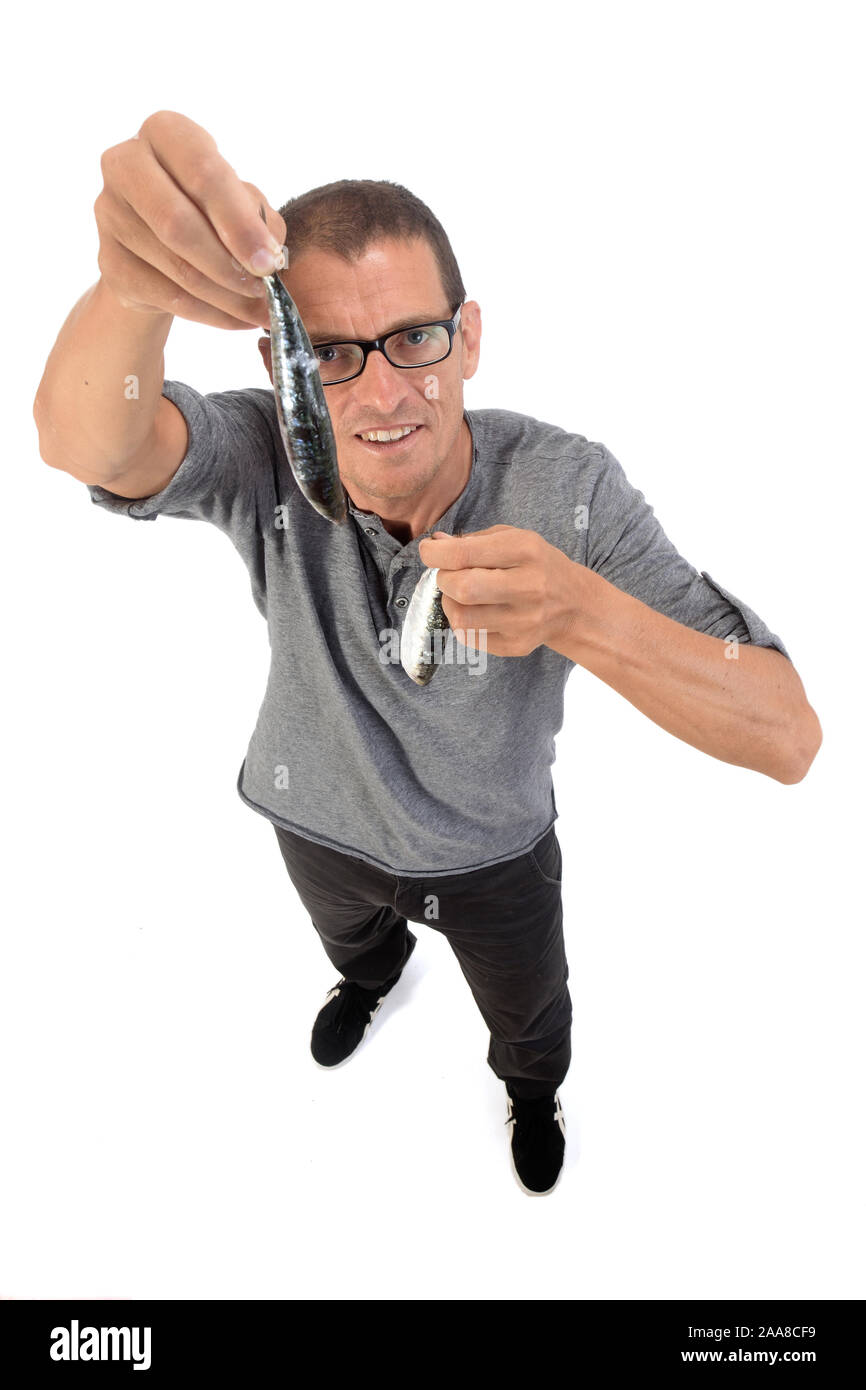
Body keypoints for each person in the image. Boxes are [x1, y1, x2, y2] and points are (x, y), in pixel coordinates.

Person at [33, 111, 822, 1198]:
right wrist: (132, 290)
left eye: (414, 338)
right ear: (282, 363)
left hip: (492, 860)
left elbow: (785, 734)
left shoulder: (568, 485)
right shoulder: (267, 449)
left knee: (529, 1016)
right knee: (351, 946)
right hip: (312, 817)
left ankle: (532, 1093)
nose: (383, 392)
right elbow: (90, 440)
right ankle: (368, 979)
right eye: (333, 355)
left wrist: (581, 611)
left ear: (470, 337)